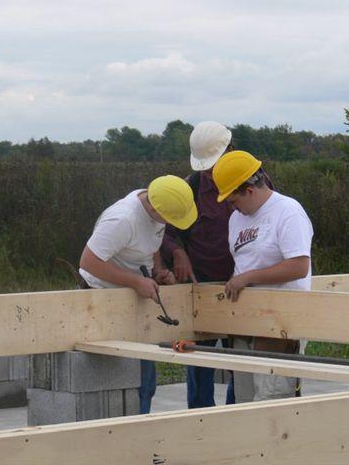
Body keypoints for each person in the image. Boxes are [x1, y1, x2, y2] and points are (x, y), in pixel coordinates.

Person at [79, 175, 197, 414]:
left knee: (146, 382)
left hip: (133, 295)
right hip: (103, 297)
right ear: (153, 207)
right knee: (129, 381)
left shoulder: (158, 202)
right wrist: (135, 281)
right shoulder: (122, 220)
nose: (168, 223)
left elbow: (152, 242)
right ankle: (128, 438)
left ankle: (140, 431)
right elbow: (88, 262)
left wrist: (158, 272)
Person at [212, 150, 313, 403]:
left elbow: (299, 266)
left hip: (279, 326)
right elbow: (243, 263)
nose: (231, 207)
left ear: (249, 190)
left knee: (272, 401)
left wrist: (248, 278)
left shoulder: (288, 212)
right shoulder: (237, 219)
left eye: (233, 200)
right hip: (245, 325)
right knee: (245, 402)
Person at [160, 121, 236, 409]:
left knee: (240, 365)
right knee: (198, 362)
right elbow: (165, 231)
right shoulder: (190, 187)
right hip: (199, 287)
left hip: (241, 288)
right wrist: (178, 252)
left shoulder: (256, 183)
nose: (210, 171)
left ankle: (235, 418)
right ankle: (200, 421)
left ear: (231, 150)